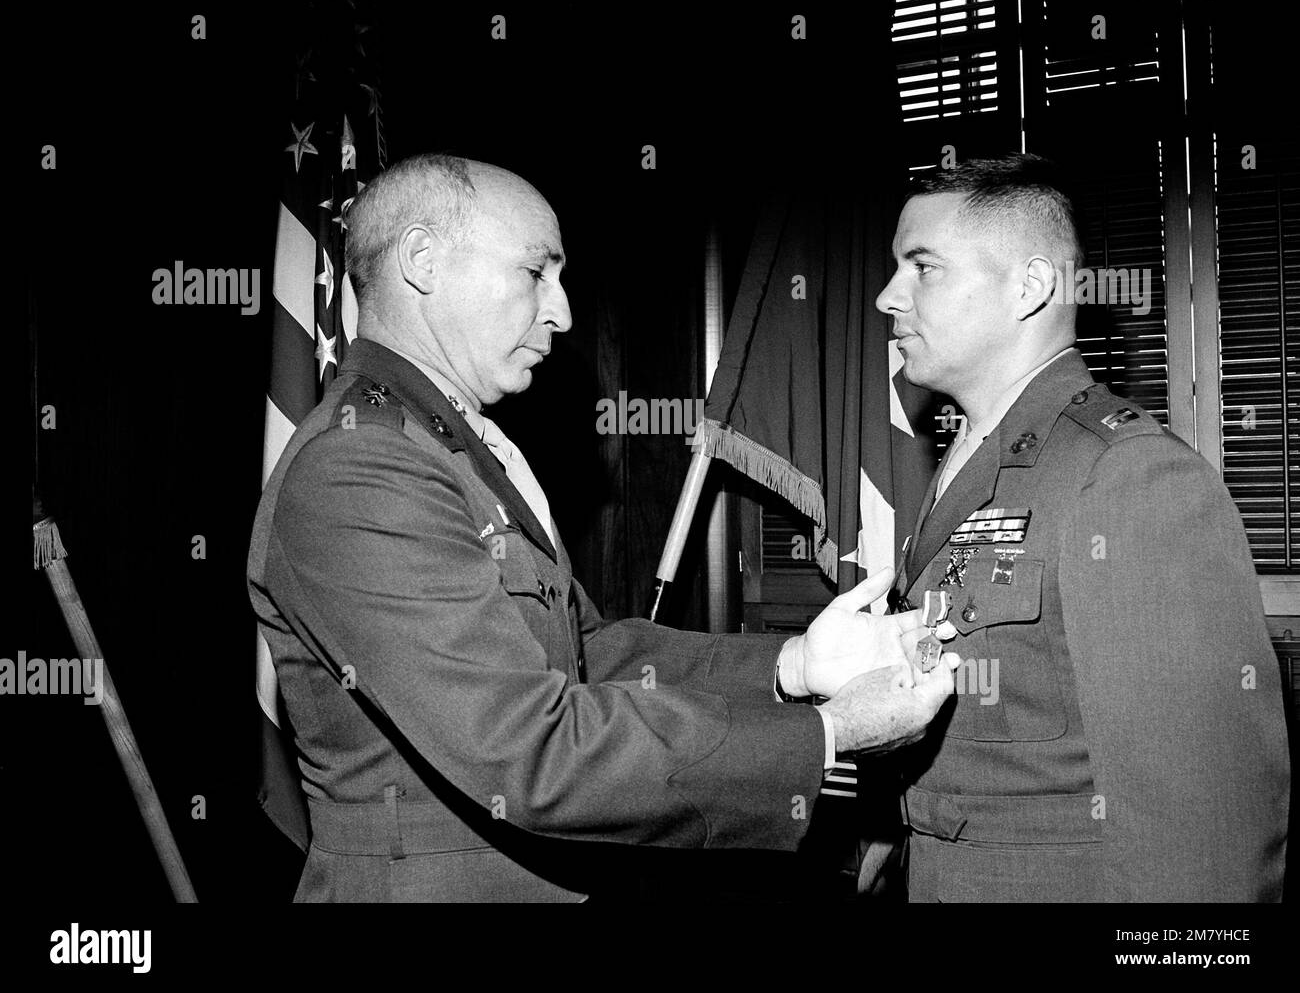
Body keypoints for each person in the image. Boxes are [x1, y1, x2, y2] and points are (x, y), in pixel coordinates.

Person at [247, 153, 959, 902]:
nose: (563, 311)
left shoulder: (454, 442)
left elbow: (587, 654)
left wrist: (794, 667)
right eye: (535, 272)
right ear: (423, 260)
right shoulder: (362, 464)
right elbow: (530, 752)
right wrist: (829, 733)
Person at [875, 153, 1291, 902]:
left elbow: (1206, 829)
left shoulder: (1126, 475)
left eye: (922, 267)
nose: (887, 296)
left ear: (1030, 287)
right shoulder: (965, 460)